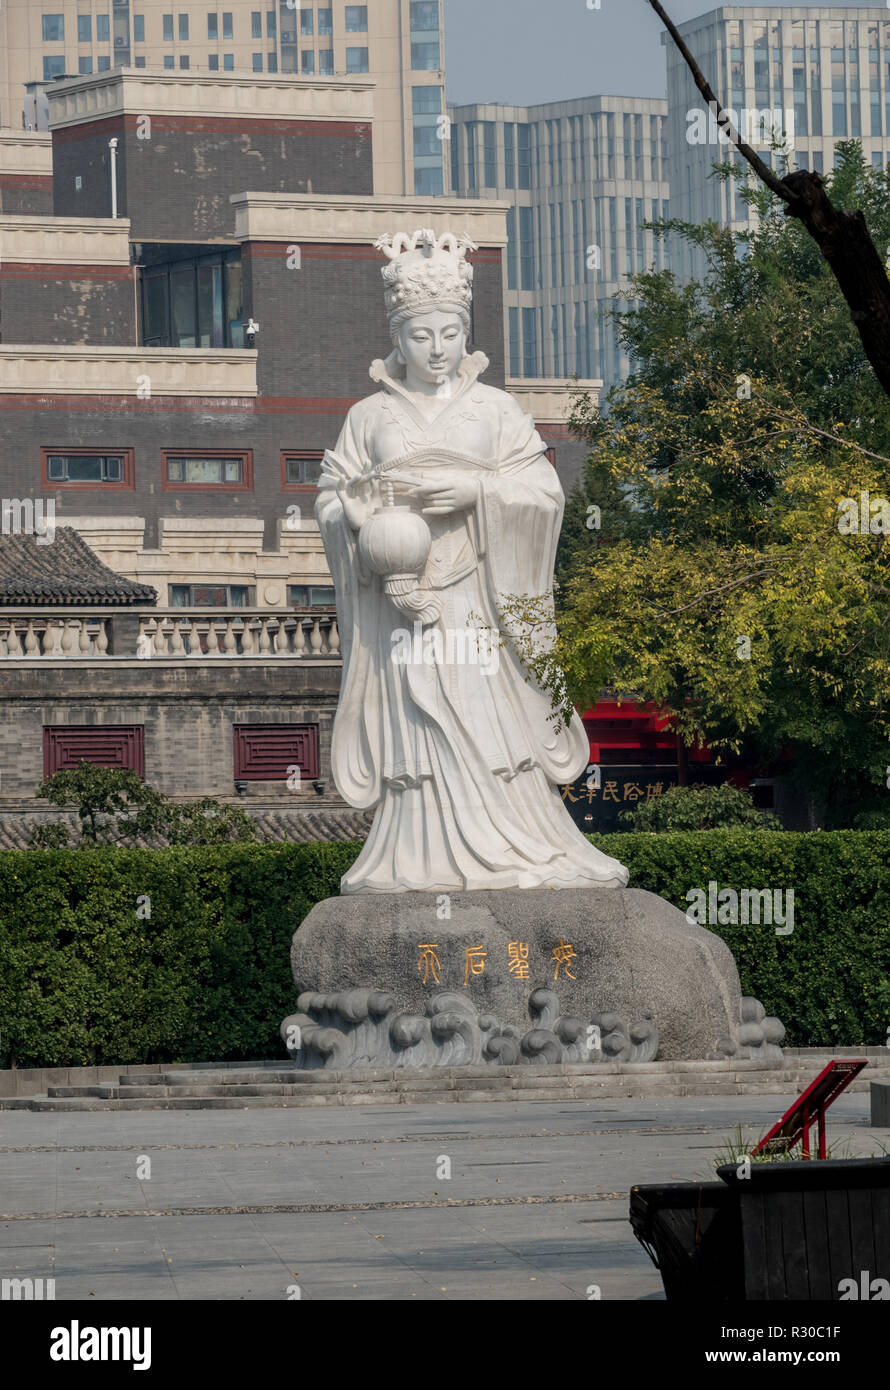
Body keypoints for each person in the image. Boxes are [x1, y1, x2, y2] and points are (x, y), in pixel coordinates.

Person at [316, 228, 628, 894]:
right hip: (404, 606)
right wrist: (368, 519)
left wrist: (478, 491)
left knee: (491, 722)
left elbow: (543, 495)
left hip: (480, 600)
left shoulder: (497, 410)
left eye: (449, 334)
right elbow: (331, 500)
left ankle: (526, 845)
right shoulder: (367, 417)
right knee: (419, 730)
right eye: (421, 335)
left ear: (467, 331)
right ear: (397, 336)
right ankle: (414, 854)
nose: (436, 349)